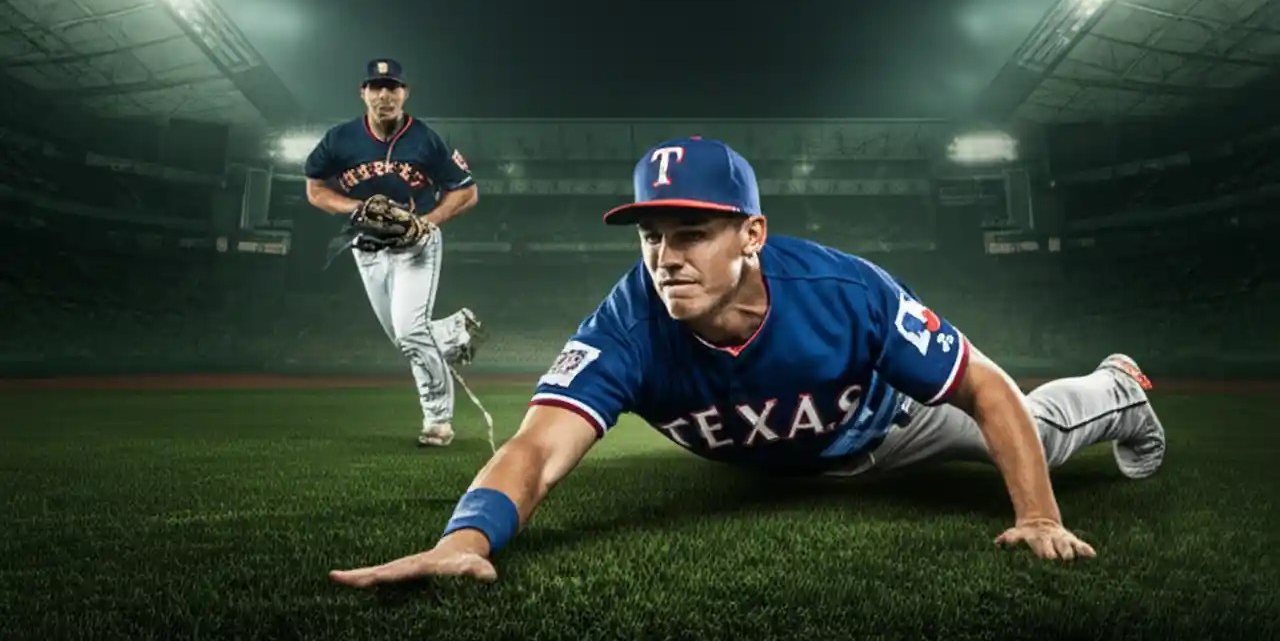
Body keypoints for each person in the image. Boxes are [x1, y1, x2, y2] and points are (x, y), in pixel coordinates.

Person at [329, 136, 1165, 585]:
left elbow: (981, 385)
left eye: (693, 232)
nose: (666, 255)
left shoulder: (844, 290)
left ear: (752, 235)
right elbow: (538, 448)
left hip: (895, 428)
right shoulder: (627, 322)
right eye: (653, 235)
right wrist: (467, 536)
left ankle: (1117, 388)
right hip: (785, 462)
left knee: (1035, 432)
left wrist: (1040, 519)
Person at [304, 58, 484, 448]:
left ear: (405, 93)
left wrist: (429, 222)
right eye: (376, 86)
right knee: (404, 339)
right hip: (366, 248)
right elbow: (315, 187)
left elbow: (467, 192)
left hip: (414, 247)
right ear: (363, 92)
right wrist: (351, 208)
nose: (384, 94)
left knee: (410, 332)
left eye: (392, 86)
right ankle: (453, 334)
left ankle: (438, 422)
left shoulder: (426, 140)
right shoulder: (340, 139)